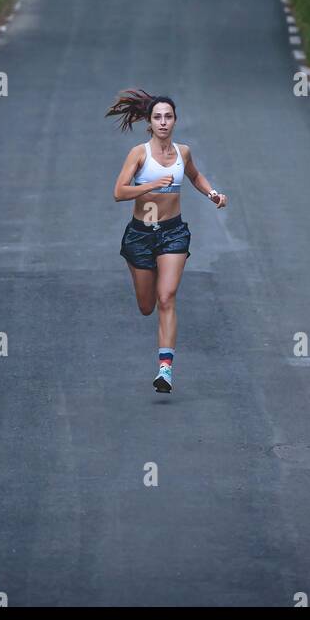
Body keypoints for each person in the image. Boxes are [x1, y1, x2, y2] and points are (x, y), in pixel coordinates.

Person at [106, 88, 227, 393]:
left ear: (175, 121)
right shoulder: (138, 154)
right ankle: (149, 278)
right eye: (157, 117)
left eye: (168, 117)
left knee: (167, 297)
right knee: (147, 306)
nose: (163, 122)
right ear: (150, 121)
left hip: (172, 233)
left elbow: (195, 176)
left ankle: (165, 369)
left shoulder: (182, 153)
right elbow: (119, 192)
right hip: (140, 236)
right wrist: (148, 186)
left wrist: (212, 193)